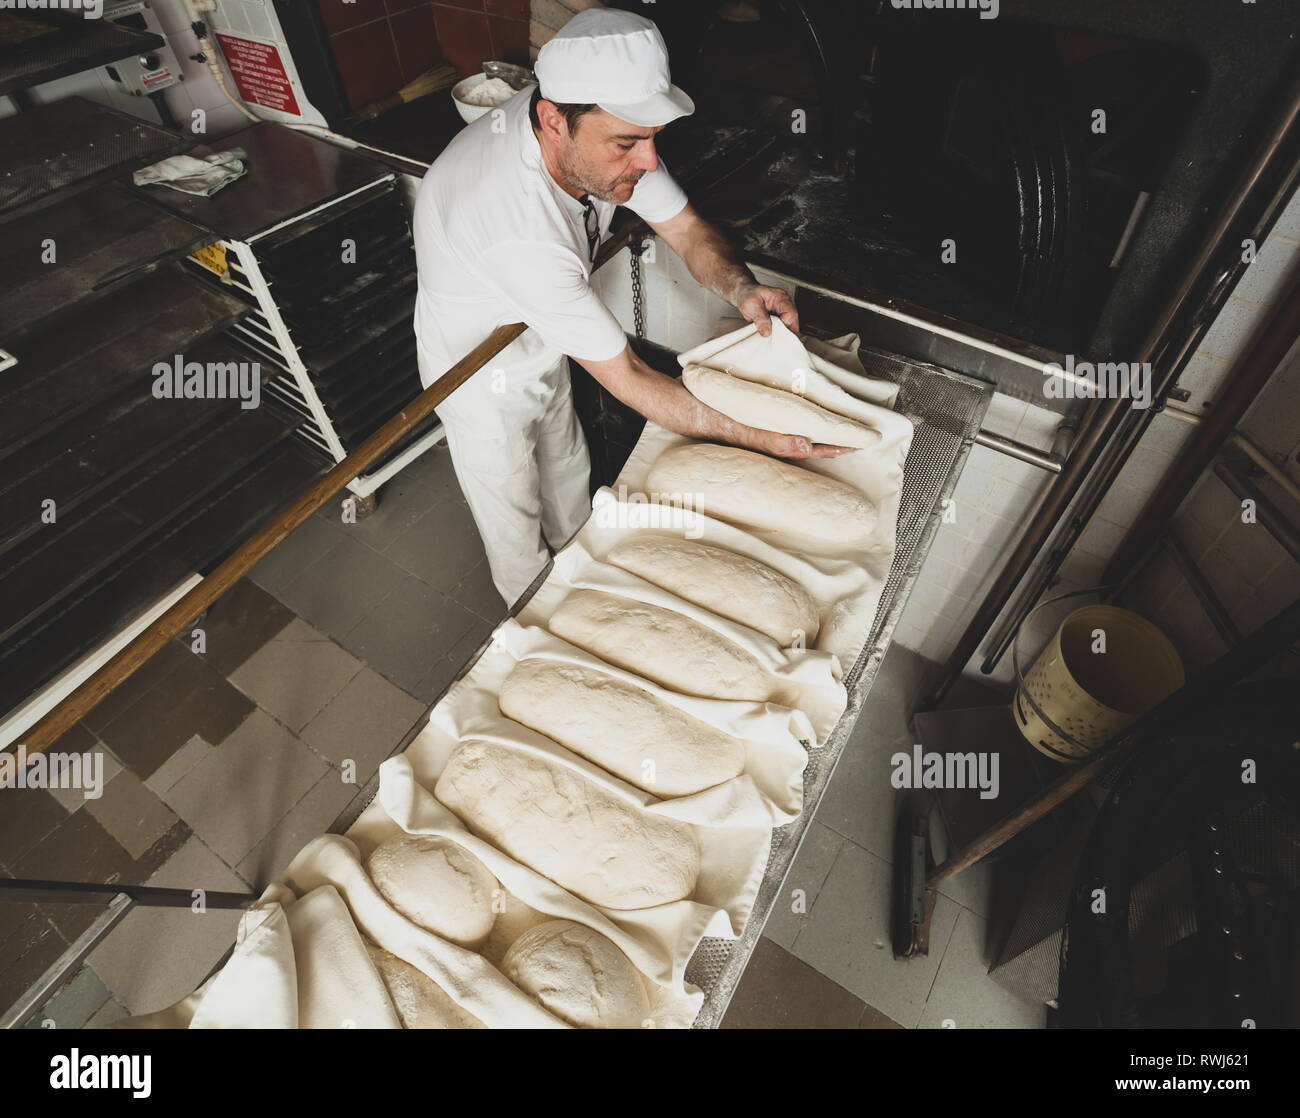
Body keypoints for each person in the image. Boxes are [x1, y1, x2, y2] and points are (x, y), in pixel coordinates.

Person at [412, 8, 850, 606]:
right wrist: (756, 436)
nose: (647, 163)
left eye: (651, 139)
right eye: (628, 142)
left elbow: (691, 231)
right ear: (552, 122)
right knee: (513, 516)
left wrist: (742, 289)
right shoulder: (517, 225)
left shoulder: (588, 130)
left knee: (567, 465)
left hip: (539, 331)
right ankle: (536, 622)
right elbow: (632, 377)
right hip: (476, 366)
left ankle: (582, 575)